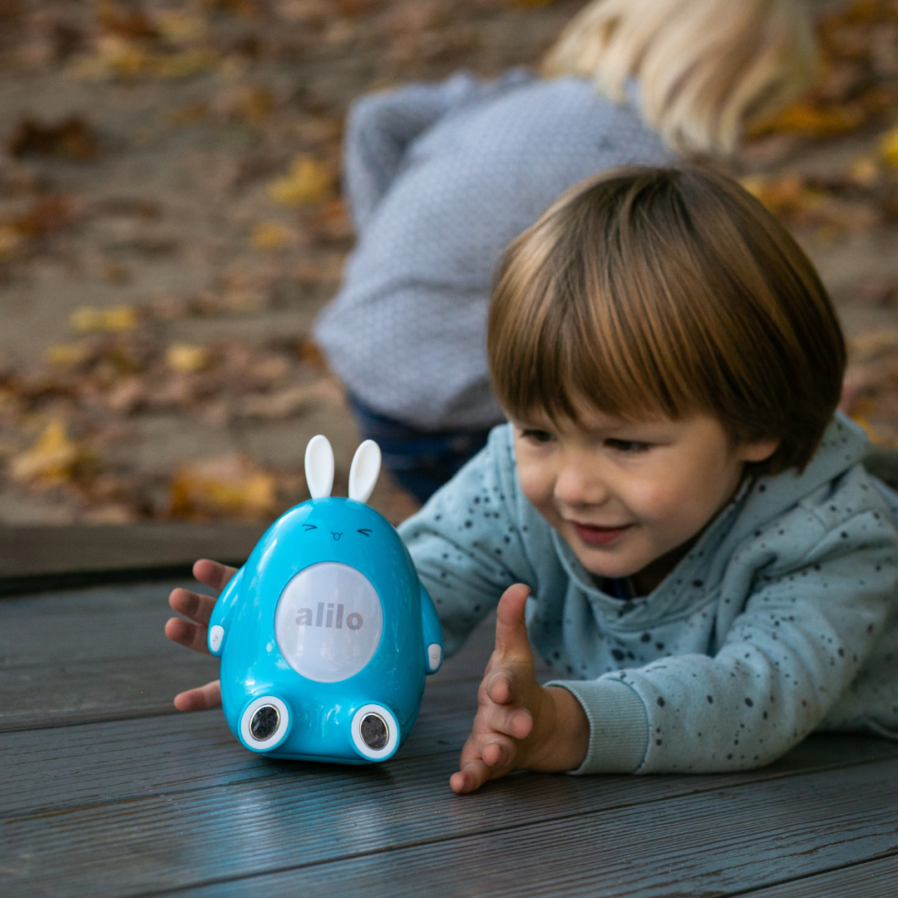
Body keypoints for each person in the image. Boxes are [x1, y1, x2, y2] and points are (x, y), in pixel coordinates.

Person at [167, 165, 898, 794]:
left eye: (625, 443)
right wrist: (303, 643)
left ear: (757, 423)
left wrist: (569, 726)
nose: (572, 485)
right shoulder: (512, 484)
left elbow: (757, 698)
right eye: (539, 432)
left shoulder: (833, 535)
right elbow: (416, 583)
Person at [311, 0, 818, 502]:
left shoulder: (520, 93)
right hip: (448, 405)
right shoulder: (639, 165)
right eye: (755, 108)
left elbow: (377, 119)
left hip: (370, 363)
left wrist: (384, 251)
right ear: (727, 85)